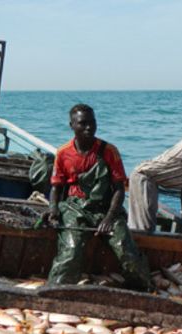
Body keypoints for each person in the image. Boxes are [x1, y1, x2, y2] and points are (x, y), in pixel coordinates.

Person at [45, 103, 151, 289]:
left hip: (106, 208)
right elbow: (56, 187)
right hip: (74, 208)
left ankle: (142, 289)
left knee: (125, 248)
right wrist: (53, 210)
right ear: (72, 125)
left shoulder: (109, 151)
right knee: (71, 250)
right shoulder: (63, 153)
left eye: (92, 123)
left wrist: (110, 218)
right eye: (82, 123)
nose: (89, 128)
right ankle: (57, 290)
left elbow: (119, 189)